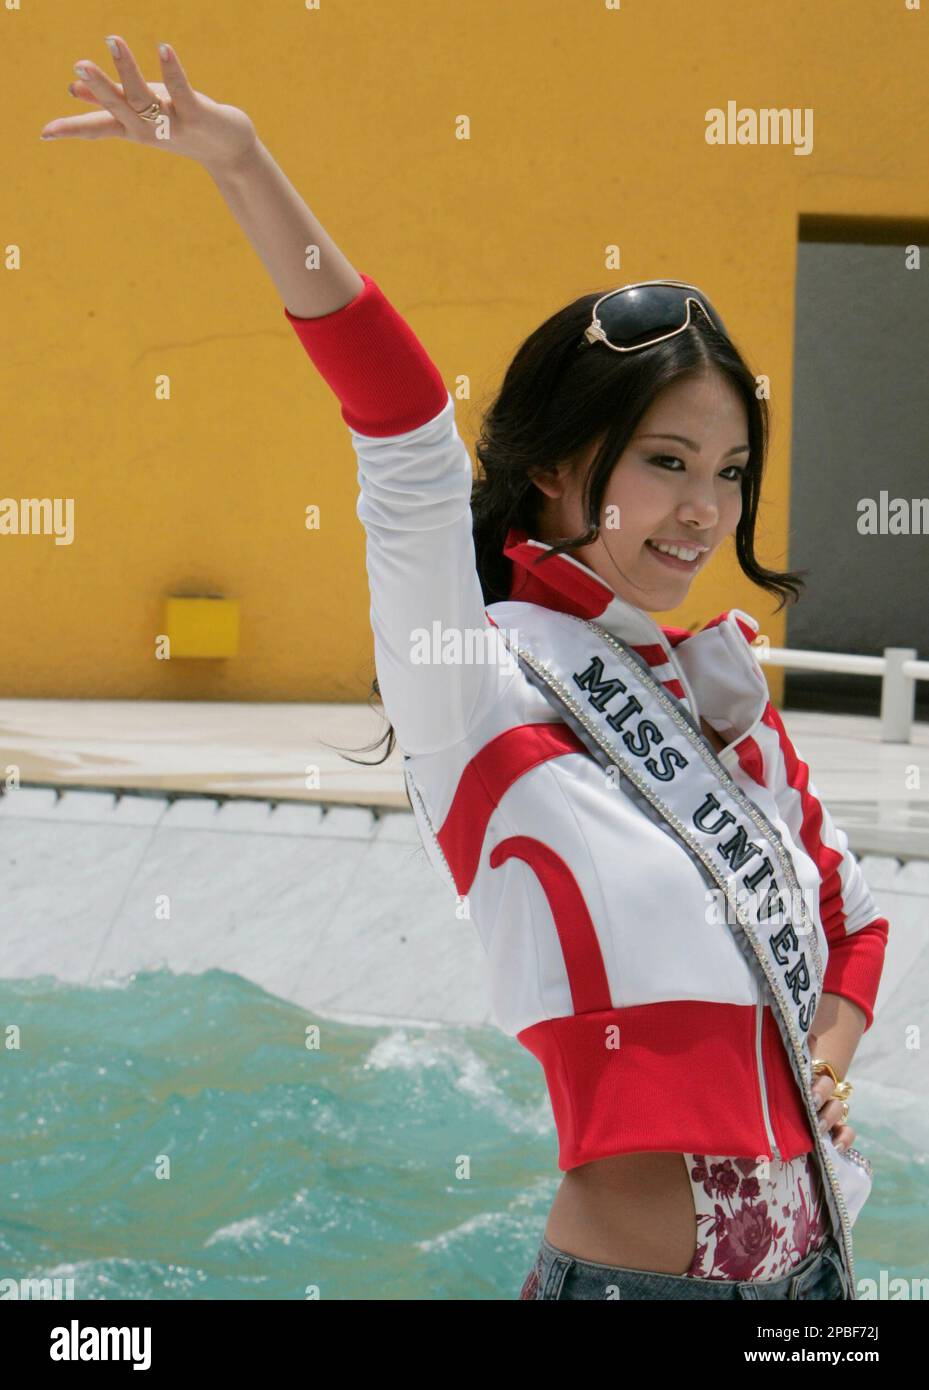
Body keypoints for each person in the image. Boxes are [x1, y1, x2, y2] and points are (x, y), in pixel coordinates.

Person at [40, 38, 889, 1301]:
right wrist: (242, 163)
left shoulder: (720, 703)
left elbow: (851, 916)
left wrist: (824, 1052)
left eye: (727, 473)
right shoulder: (474, 681)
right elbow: (406, 441)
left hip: (813, 1278)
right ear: (553, 466)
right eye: (663, 461)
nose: (702, 511)